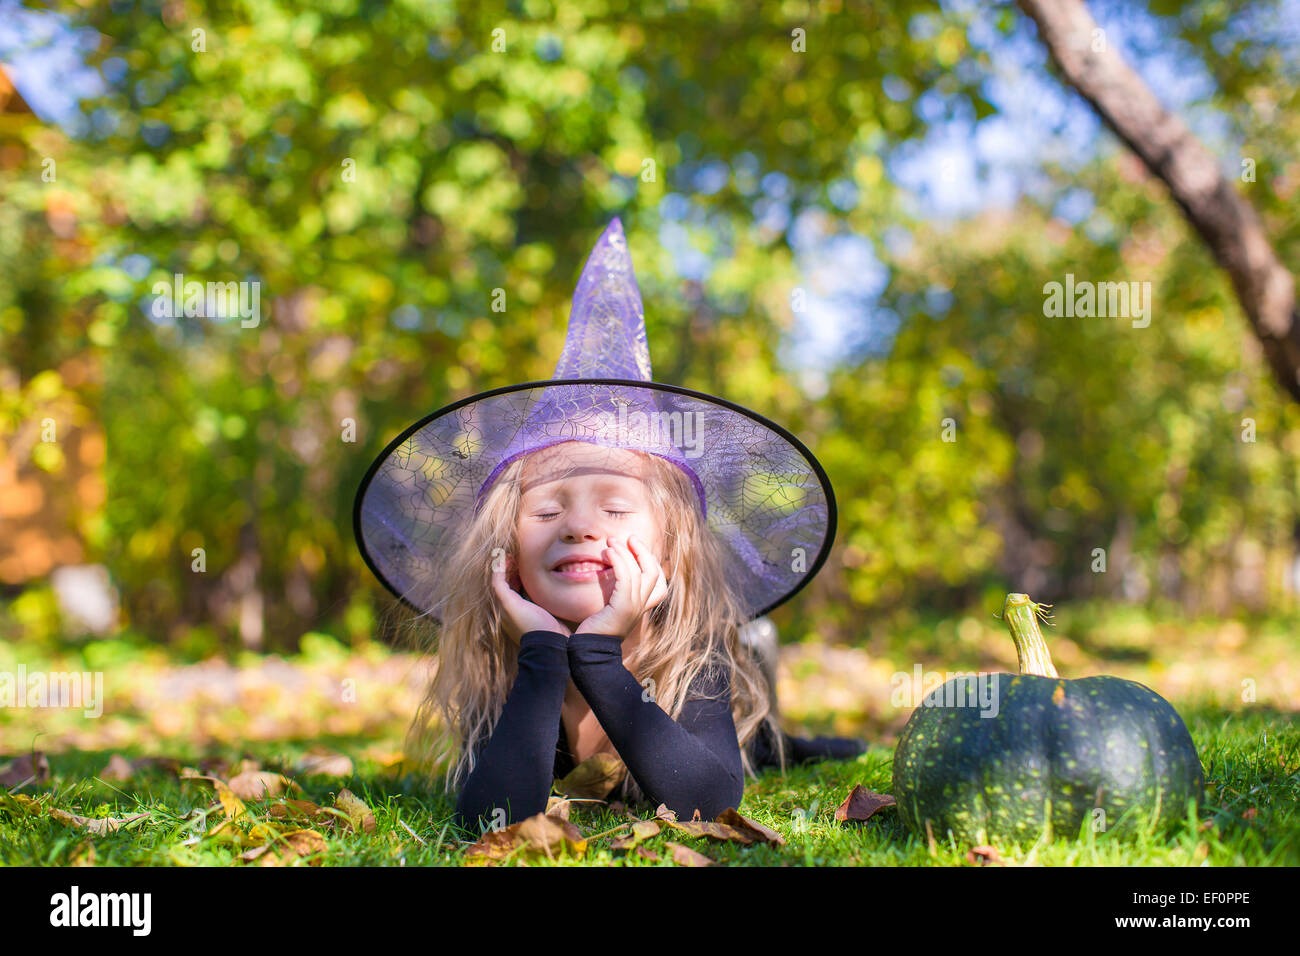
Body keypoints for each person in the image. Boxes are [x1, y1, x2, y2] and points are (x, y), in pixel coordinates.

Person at [353, 219, 866, 837]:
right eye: (546, 512)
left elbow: (705, 801)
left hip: (708, 692)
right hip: (536, 659)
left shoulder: (691, 653)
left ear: (670, 554)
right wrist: (545, 656)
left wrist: (599, 656)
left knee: (756, 737)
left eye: (616, 509)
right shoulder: (506, 662)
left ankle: (779, 707)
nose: (577, 527)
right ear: (507, 555)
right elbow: (486, 817)